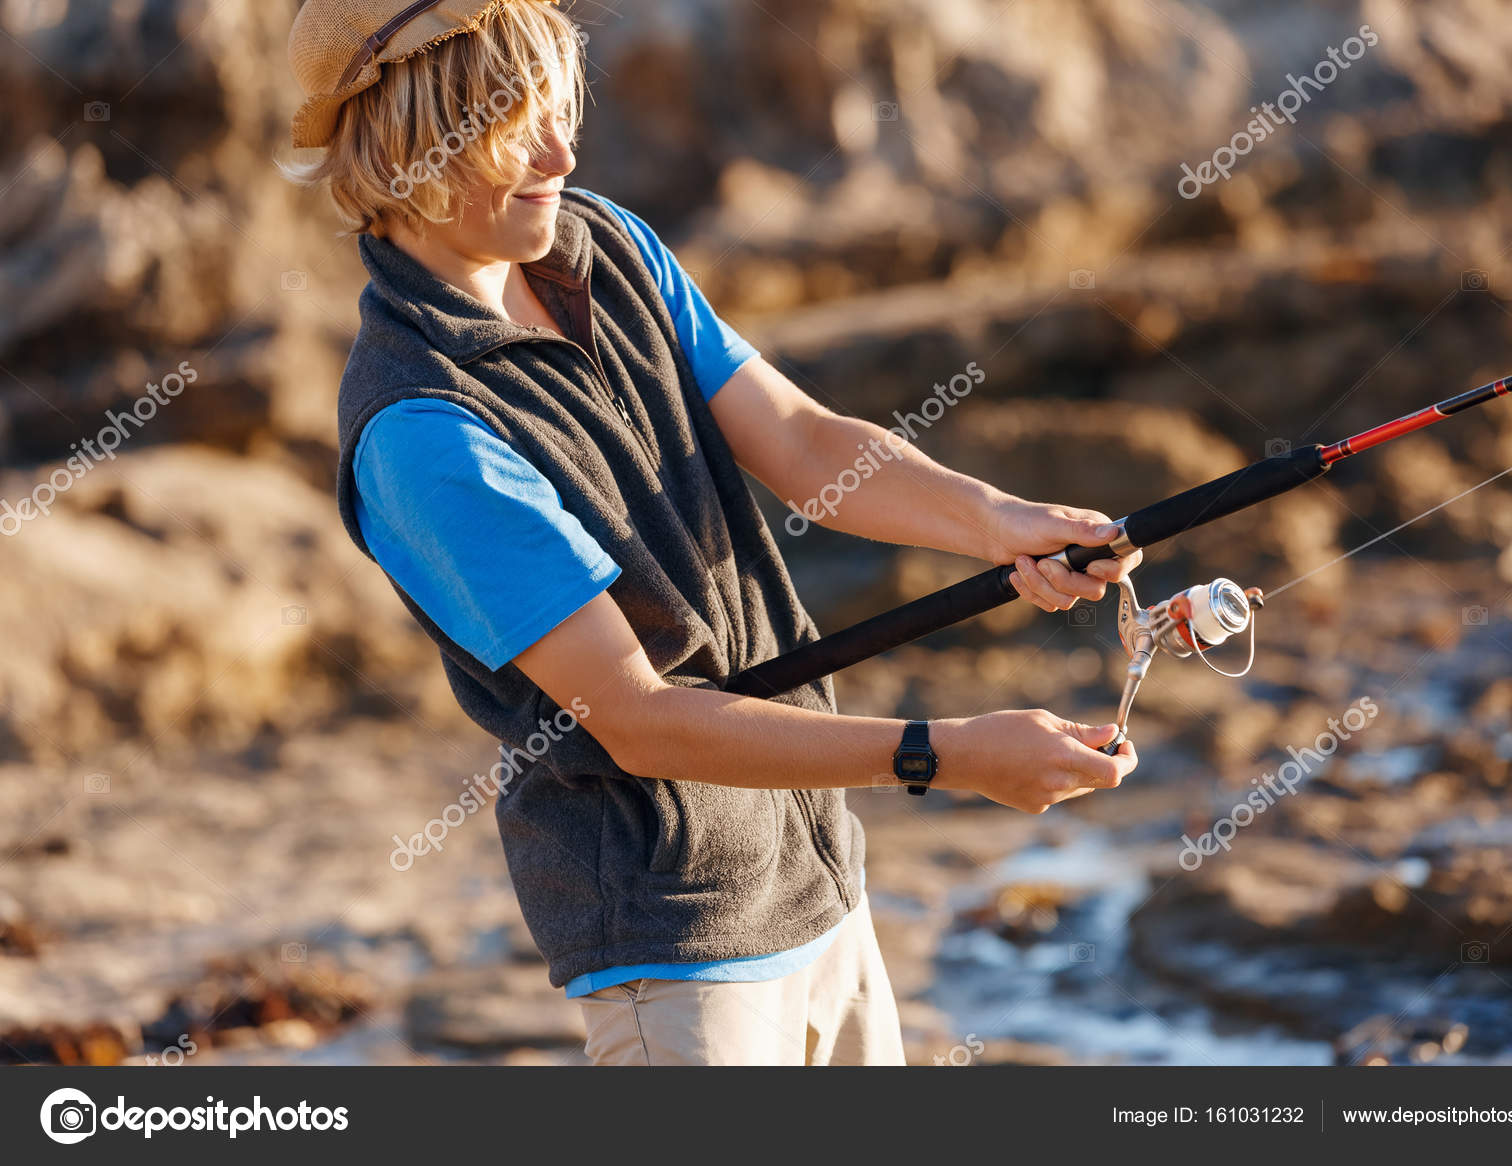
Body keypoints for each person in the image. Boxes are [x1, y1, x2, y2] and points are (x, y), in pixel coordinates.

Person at [284, 0, 1141, 1066]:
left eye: (561, 108)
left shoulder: (603, 245)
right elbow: (642, 719)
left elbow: (804, 442)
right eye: (520, 125)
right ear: (416, 138)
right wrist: (942, 754)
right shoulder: (422, 433)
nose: (563, 149)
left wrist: (998, 522)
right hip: (677, 951)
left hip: (818, 881)